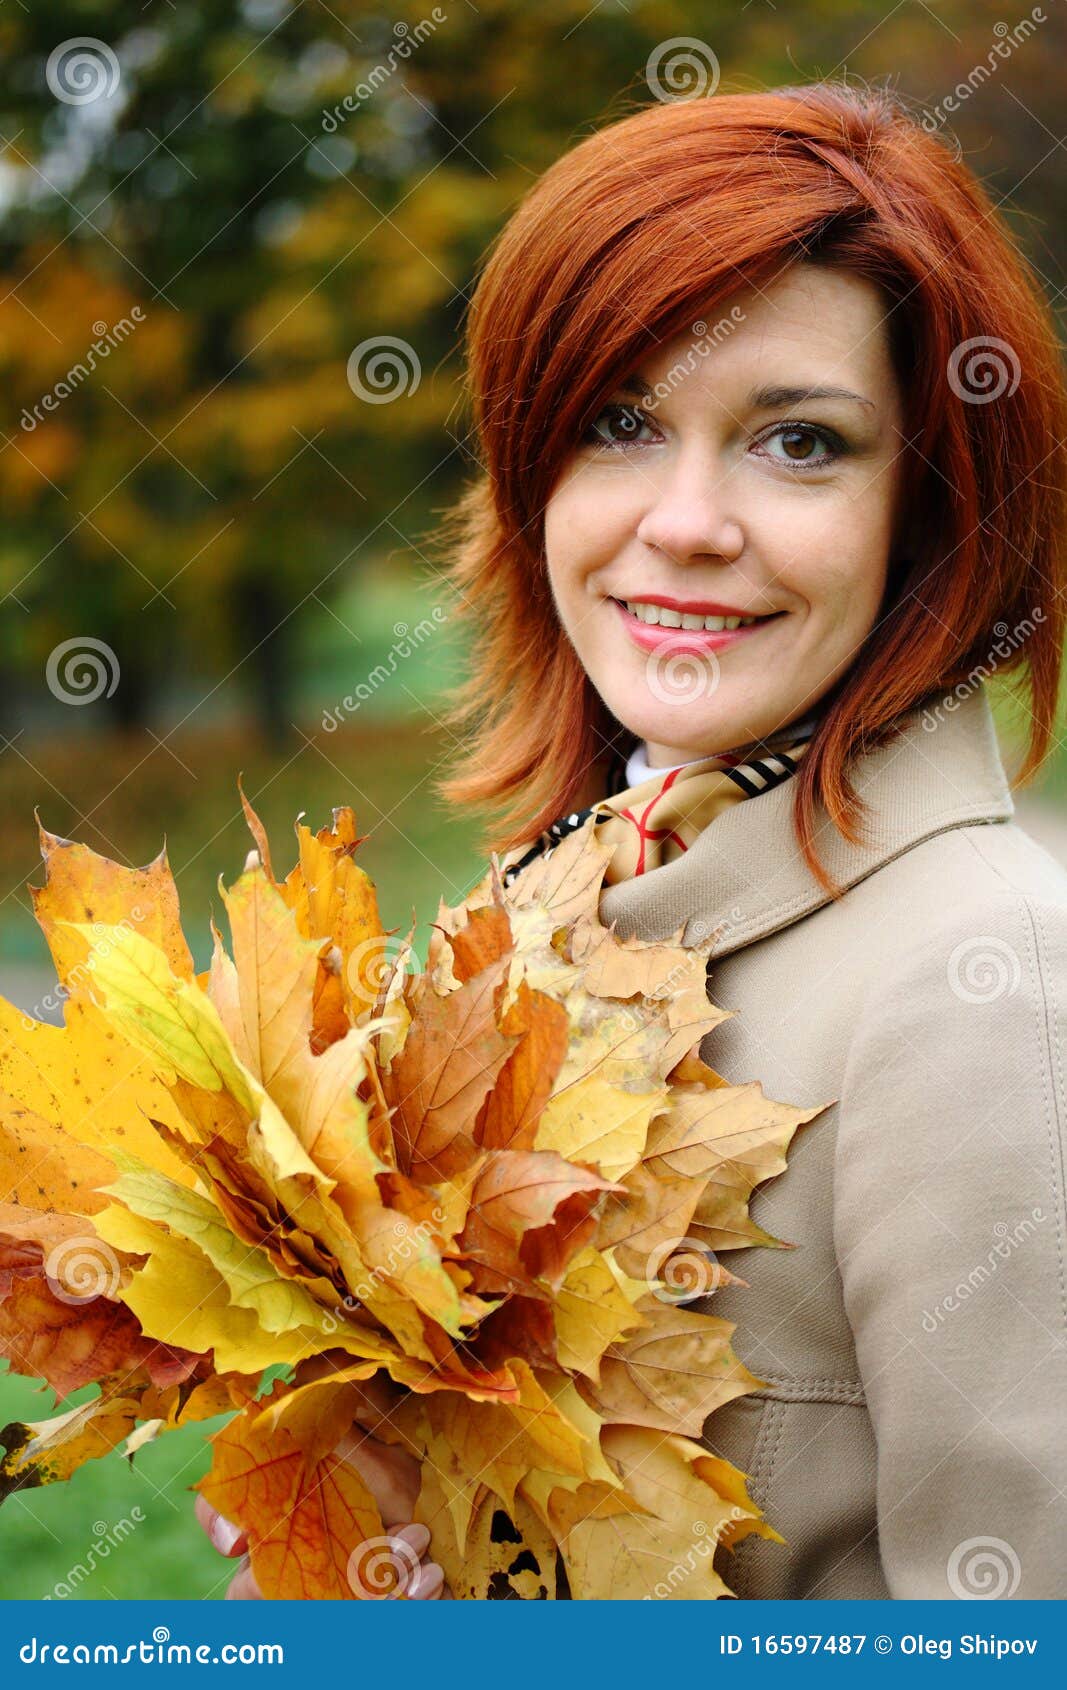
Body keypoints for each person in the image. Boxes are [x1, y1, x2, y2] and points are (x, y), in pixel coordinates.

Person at [204, 79, 1067, 1600]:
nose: (684, 521)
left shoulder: (982, 983)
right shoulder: (546, 898)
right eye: (620, 423)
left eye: (798, 442)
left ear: (931, 509)